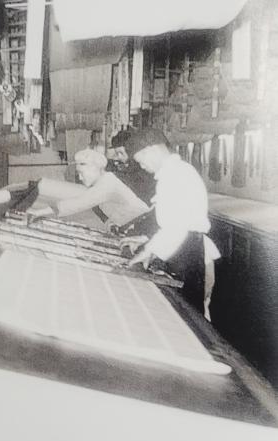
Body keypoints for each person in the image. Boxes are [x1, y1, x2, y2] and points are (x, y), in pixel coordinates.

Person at [123, 129, 220, 317]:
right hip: (183, 246)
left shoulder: (175, 175)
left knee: (186, 313)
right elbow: (170, 221)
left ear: (151, 149)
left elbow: (177, 226)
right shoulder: (175, 172)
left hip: (185, 250)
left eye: (141, 160)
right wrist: (147, 242)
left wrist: (149, 251)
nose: (142, 166)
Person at [28, 149, 150, 230]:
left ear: (94, 167)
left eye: (81, 173)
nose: (80, 178)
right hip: (135, 226)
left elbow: (77, 203)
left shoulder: (107, 183)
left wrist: (38, 212)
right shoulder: (102, 183)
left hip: (145, 225)